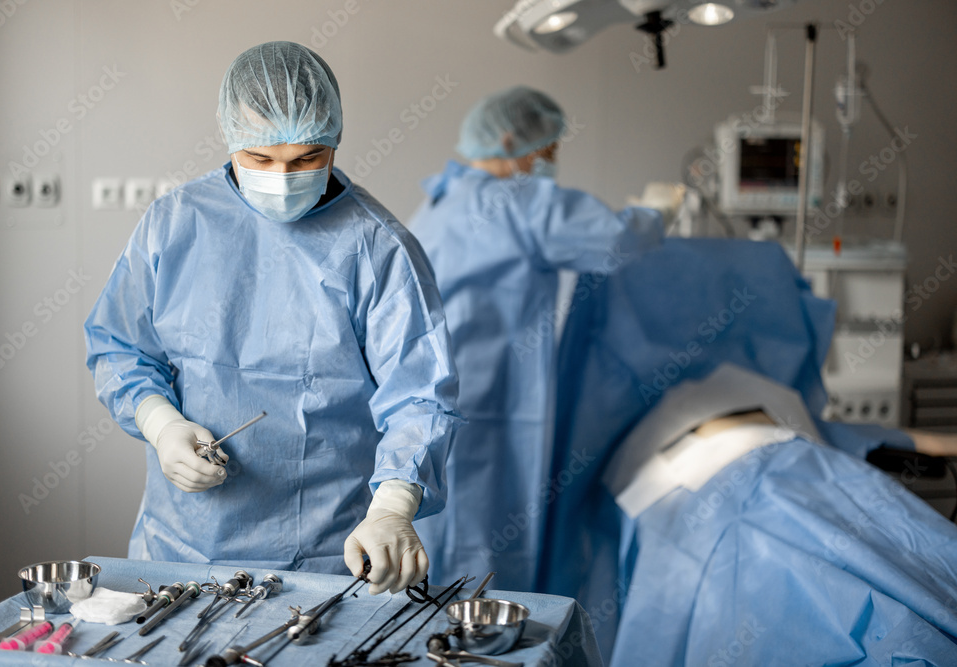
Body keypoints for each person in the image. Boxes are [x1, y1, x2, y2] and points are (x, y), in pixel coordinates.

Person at [84, 42, 462, 595]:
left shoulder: (378, 247)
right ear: (232, 138)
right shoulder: (175, 222)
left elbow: (421, 396)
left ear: (335, 140)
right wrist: (161, 425)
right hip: (183, 545)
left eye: (308, 158)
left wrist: (393, 506)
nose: (283, 177)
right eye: (260, 159)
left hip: (326, 554)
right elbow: (120, 345)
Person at [544, 236, 957, 660]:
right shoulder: (646, 432)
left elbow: (848, 436)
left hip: (794, 465)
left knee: (889, 567)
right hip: (715, 504)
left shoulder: (755, 393)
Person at [408, 86, 665, 592]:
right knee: (484, 534)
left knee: (439, 528)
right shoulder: (518, 200)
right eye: (546, 151)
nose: (548, 164)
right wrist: (657, 214)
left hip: (431, 399)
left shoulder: (438, 201)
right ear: (509, 140)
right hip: (489, 404)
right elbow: (616, 241)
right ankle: (481, 638)